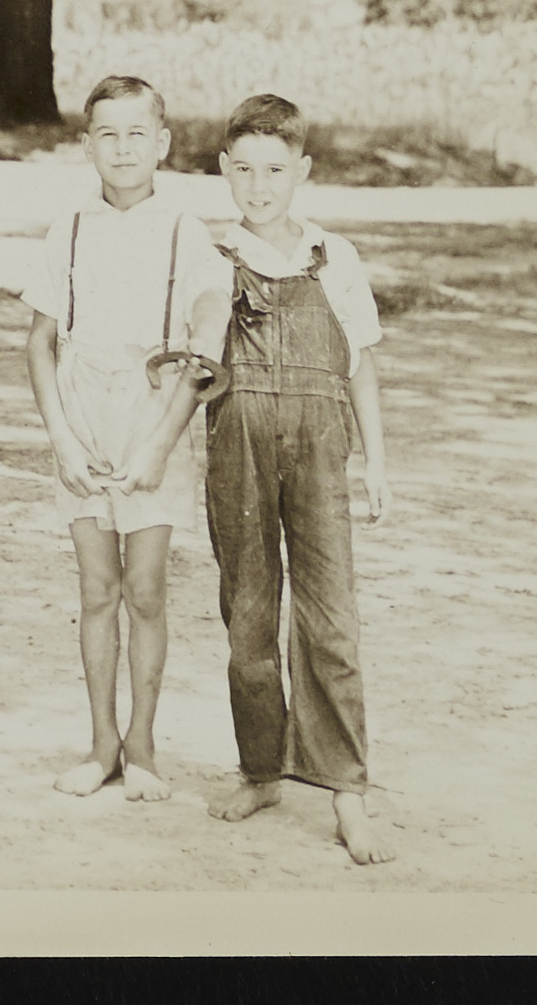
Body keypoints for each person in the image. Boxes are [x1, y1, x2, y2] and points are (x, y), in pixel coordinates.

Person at [22, 75, 230, 802]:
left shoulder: (186, 233)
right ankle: (102, 742)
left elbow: (206, 348)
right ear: (87, 145)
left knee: (145, 591)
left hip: (152, 425)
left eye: (136, 134)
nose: (122, 148)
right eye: (106, 134)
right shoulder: (69, 230)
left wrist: (158, 447)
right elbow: (40, 343)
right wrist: (63, 440)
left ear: (162, 143)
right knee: (97, 591)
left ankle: (143, 743)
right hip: (85, 421)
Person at [204, 93, 394, 865]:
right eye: (243, 171)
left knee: (331, 620)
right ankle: (261, 769)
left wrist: (378, 460)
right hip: (238, 452)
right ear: (223, 170)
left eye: (274, 171)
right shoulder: (211, 256)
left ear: (302, 171)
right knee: (248, 618)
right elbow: (191, 361)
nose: (258, 187)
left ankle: (347, 790)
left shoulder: (333, 256)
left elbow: (364, 365)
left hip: (320, 454)